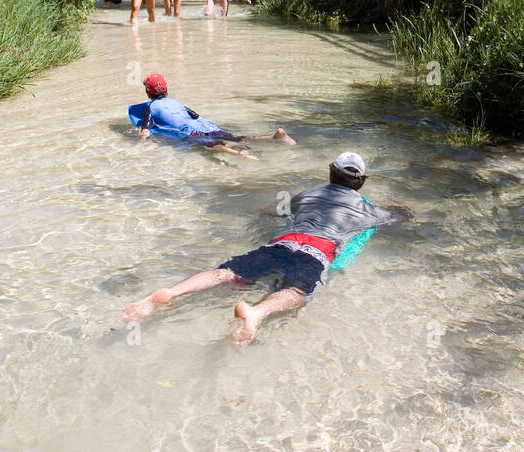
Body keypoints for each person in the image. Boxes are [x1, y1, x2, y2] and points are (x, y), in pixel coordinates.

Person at [121, 151, 411, 345]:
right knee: (297, 292)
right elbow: (400, 220)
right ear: (360, 182)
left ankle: (171, 293)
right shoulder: (367, 210)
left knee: (226, 272)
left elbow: (273, 210)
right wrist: (403, 209)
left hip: (285, 241)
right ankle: (256, 314)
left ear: (330, 173)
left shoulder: (309, 195)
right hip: (318, 251)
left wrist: (262, 211)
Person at [128, 72, 295, 158]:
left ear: (147, 92)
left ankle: (239, 154)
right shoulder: (177, 103)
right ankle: (273, 137)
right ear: (167, 89)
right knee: (236, 137)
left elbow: (145, 133)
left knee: (210, 144)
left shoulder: (150, 108)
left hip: (189, 130)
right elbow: (198, 117)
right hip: (206, 124)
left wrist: (139, 147)